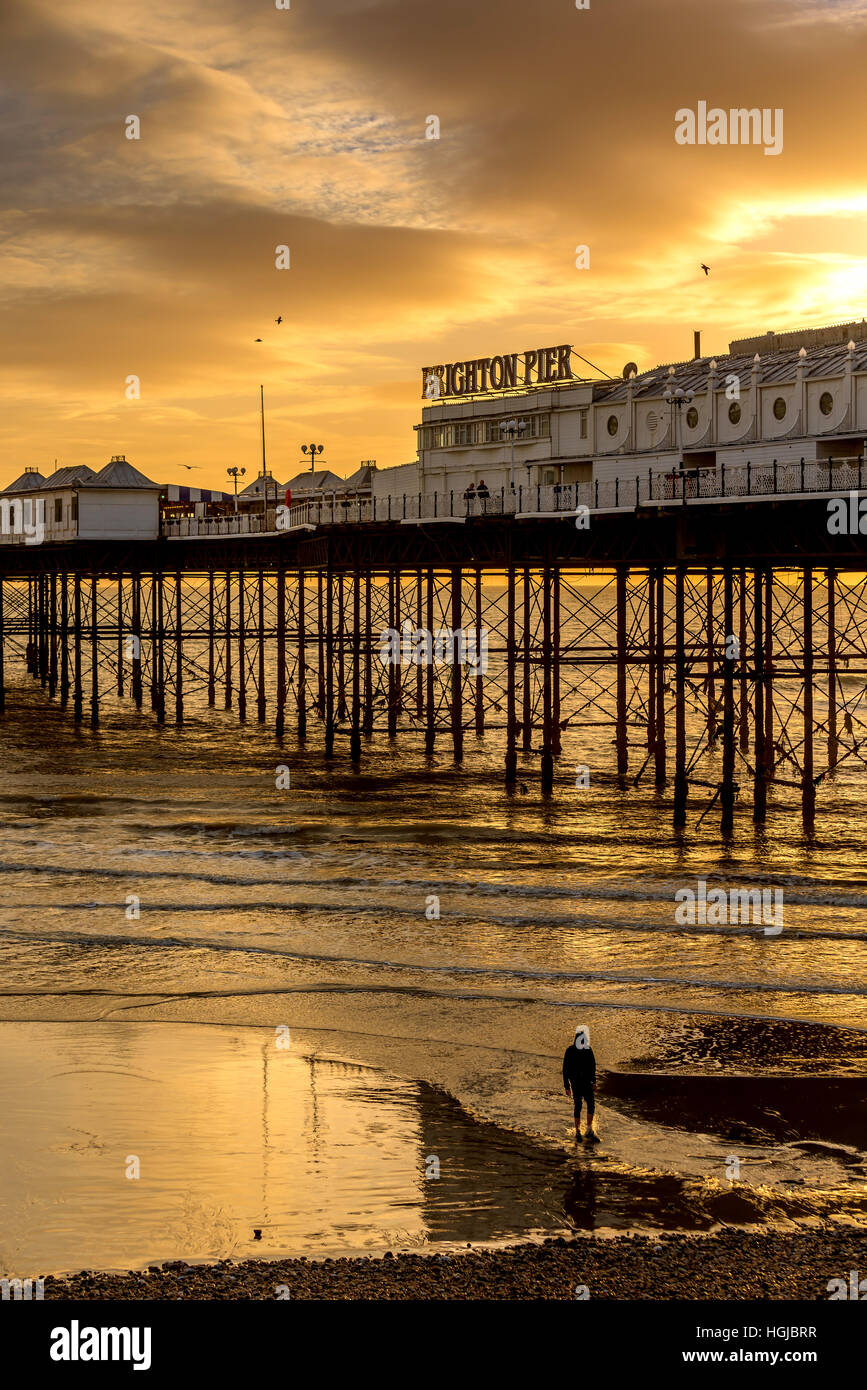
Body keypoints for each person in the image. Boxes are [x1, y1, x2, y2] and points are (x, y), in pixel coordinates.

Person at [563, 1025, 598, 1142]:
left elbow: (592, 1066)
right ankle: (582, 1131)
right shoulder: (583, 1050)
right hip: (580, 1082)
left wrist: (594, 1081)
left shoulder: (572, 1050)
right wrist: (566, 1086)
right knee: (585, 1105)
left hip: (580, 1082)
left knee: (582, 1105)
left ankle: (585, 1130)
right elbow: (566, 1069)